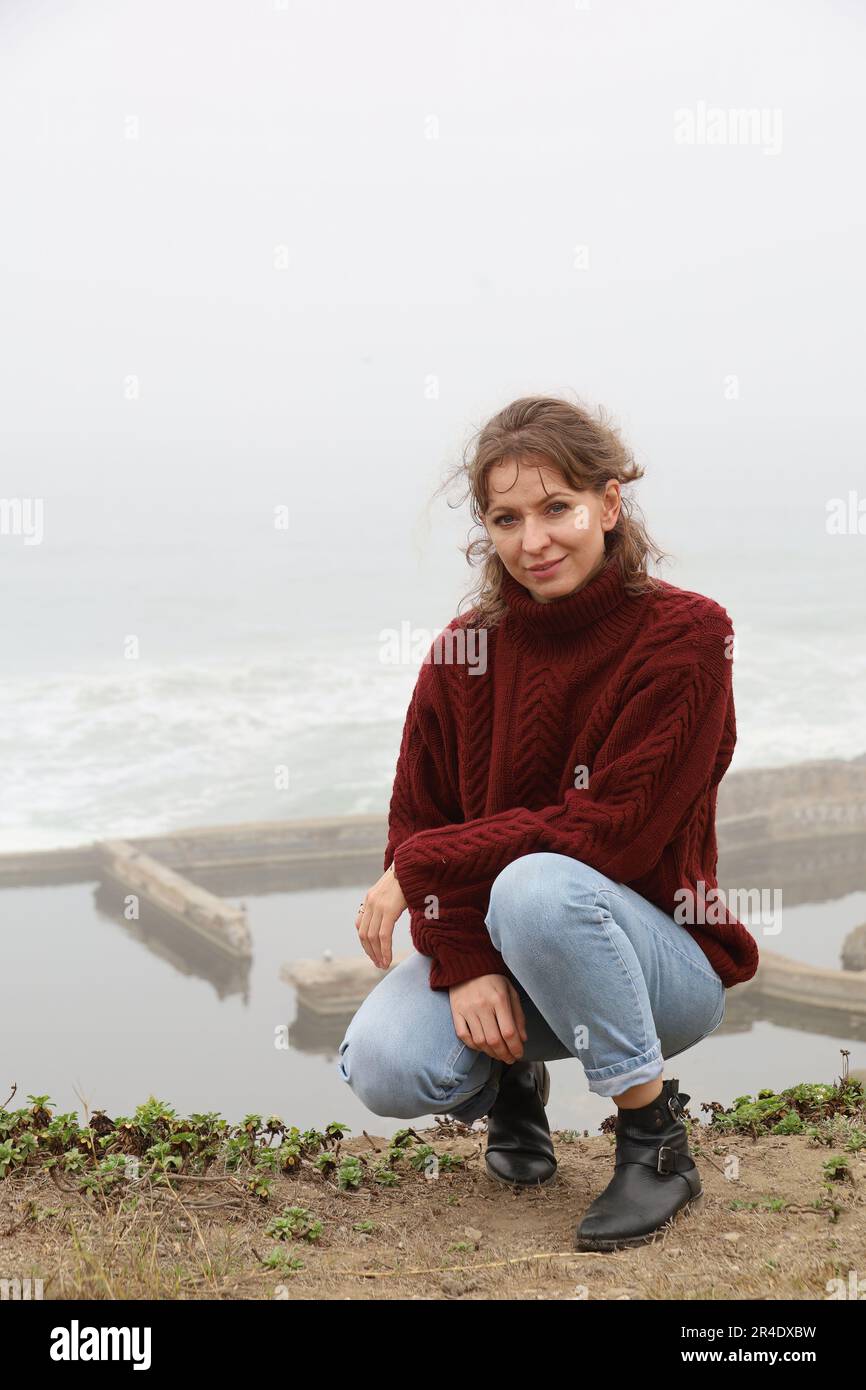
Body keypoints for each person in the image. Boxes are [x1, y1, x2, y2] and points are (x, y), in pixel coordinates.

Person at [336, 394, 759, 1252]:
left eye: (557, 508)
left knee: (538, 885)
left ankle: (654, 1143)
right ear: (485, 530)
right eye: (507, 517)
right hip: (517, 940)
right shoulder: (465, 648)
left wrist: (425, 863)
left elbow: (609, 837)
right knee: (387, 1064)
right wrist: (463, 962)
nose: (535, 541)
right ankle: (511, 1087)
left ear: (608, 504)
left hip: (663, 965)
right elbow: (418, 817)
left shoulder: (686, 636)